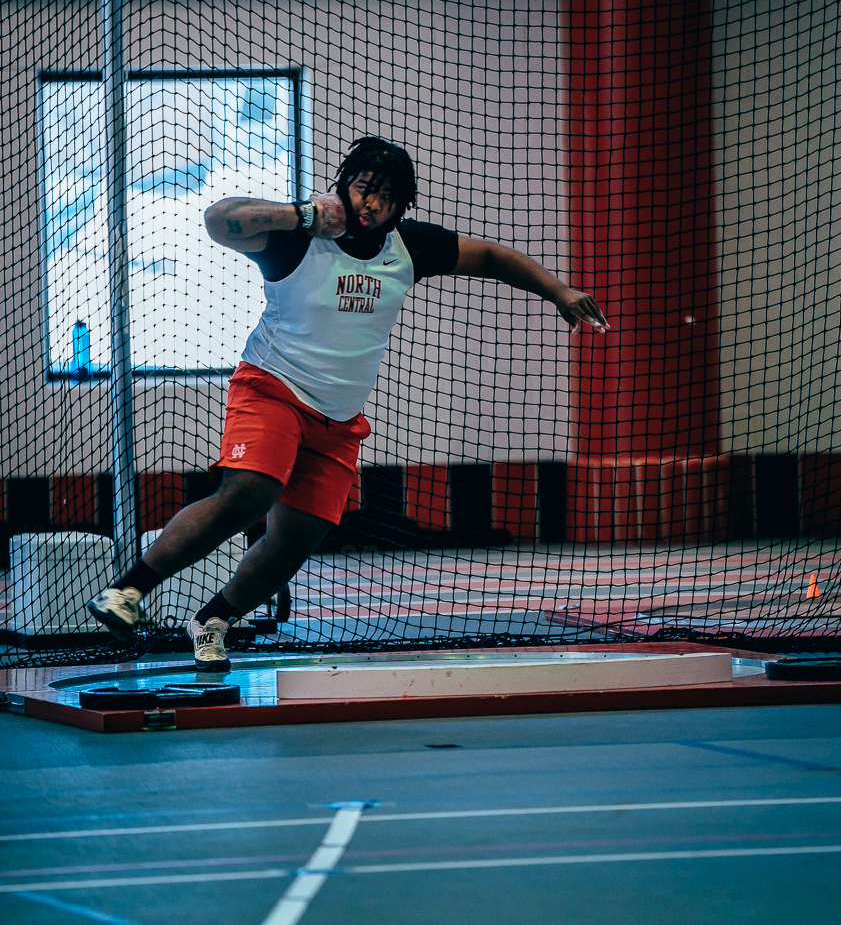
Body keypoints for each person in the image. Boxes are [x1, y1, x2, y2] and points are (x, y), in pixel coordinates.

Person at [87, 137, 610, 670]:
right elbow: (220, 219)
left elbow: (493, 256)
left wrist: (558, 292)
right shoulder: (295, 241)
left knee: (296, 540)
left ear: (403, 206)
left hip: (338, 420)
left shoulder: (410, 247)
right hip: (273, 388)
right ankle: (128, 590)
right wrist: (305, 213)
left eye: (386, 196)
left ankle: (214, 620)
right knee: (249, 492)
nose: (371, 204)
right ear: (343, 186)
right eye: (363, 188)